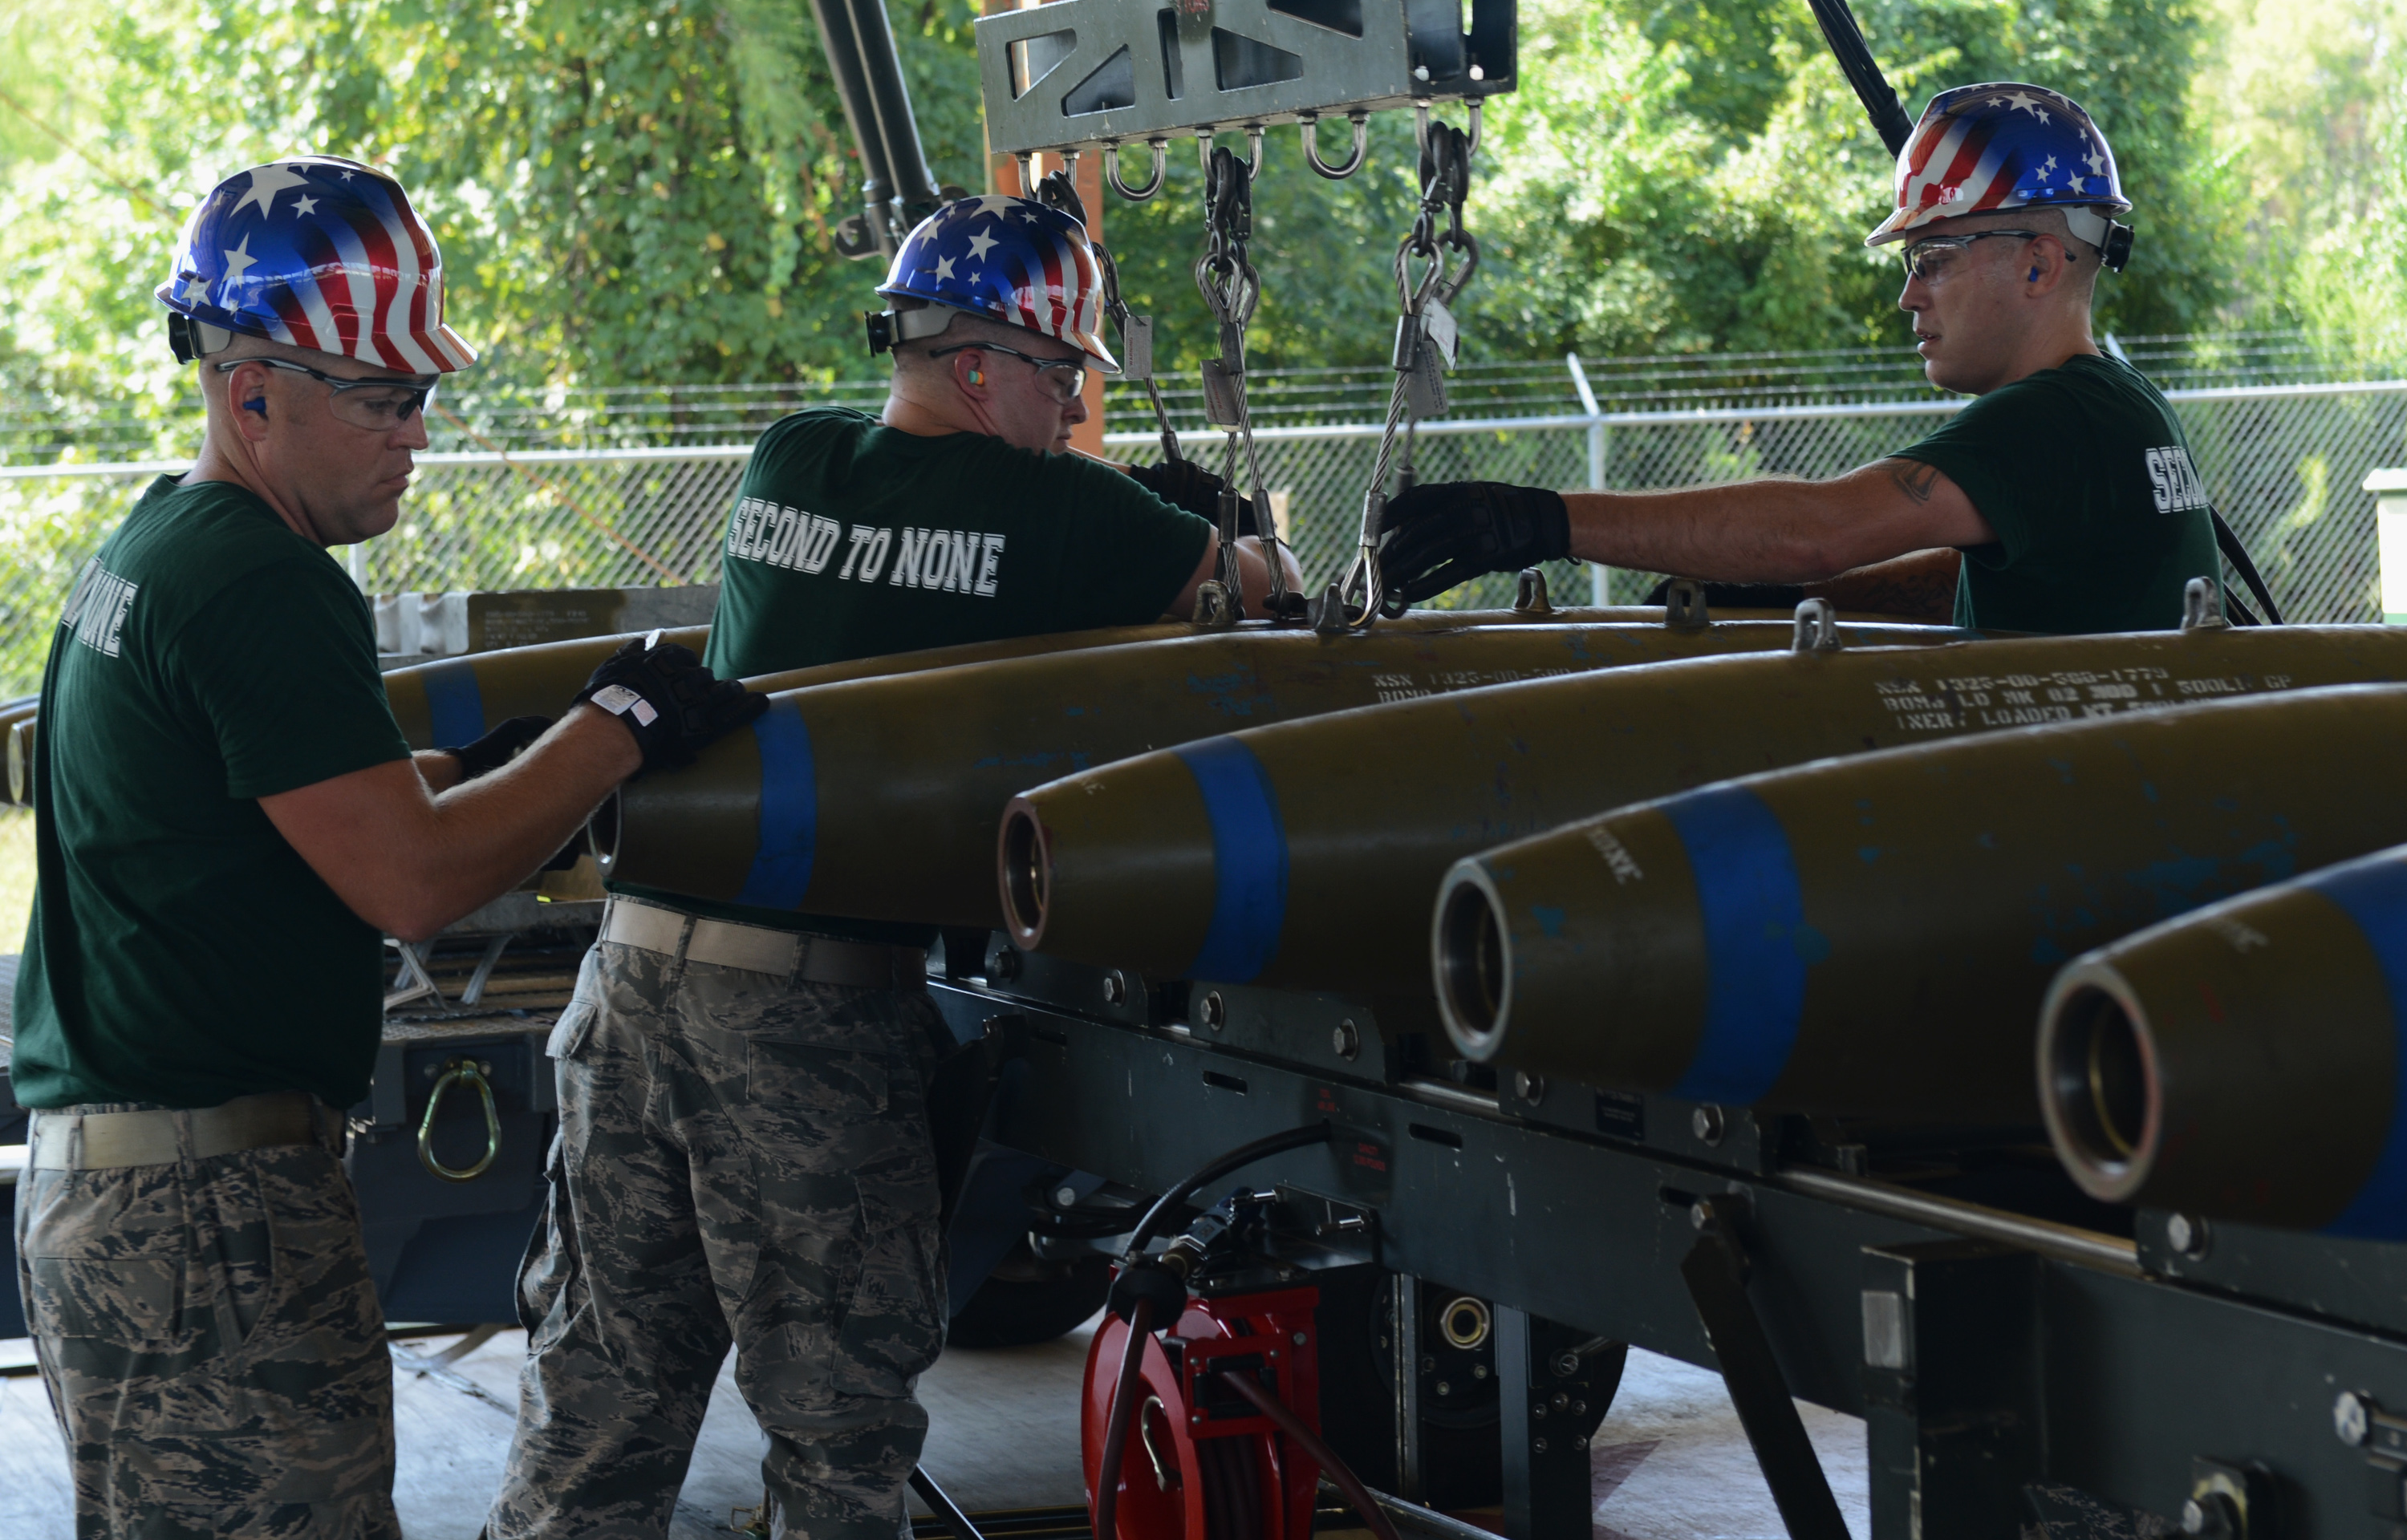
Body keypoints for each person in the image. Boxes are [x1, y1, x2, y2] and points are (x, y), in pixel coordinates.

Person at [489, 189, 1297, 1540]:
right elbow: (1267, 589)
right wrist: (1221, 521)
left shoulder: (789, 458)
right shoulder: (1067, 515)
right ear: (977, 366)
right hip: (801, 1023)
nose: (1075, 408)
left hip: (626, 988)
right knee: (839, 1445)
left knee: (598, 1409)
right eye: (1057, 373)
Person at [10, 157, 762, 1540]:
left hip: (125, 1198)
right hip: (211, 1219)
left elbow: (274, 809)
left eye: (423, 397)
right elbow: (409, 882)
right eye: (385, 398)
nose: (417, 432)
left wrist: (485, 772)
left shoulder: (154, 551)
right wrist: (616, 726)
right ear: (252, 395)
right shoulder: (262, 582)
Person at [1377, 83, 2222, 634]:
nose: (1910, 296)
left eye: (1931, 261)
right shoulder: (2123, 405)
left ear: (2038, 262)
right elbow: (1977, 576)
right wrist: (1765, 596)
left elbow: (1816, 534)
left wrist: (1545, 523)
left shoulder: (2045, 421)